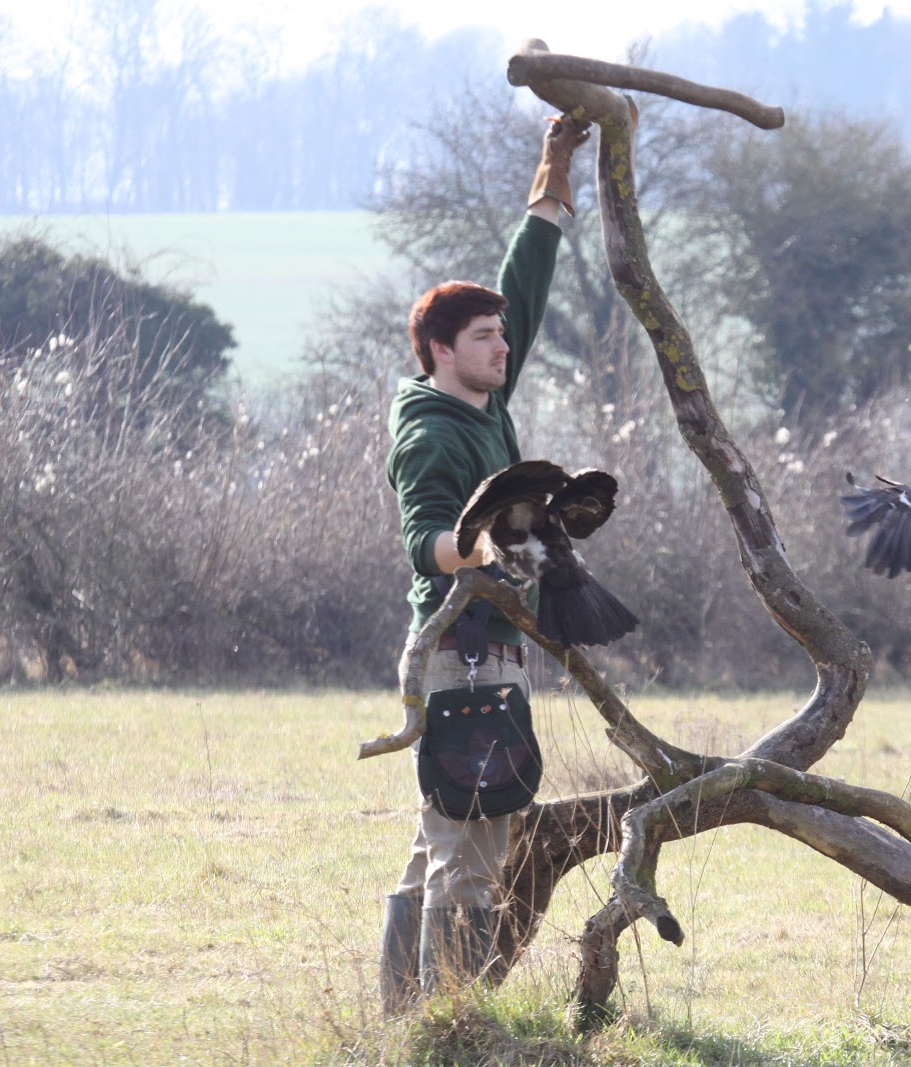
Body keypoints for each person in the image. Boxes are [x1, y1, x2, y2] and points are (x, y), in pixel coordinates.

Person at [379, 112, 591, 1010]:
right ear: (438, 350)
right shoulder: (431, 431)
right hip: (460, 649)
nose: (504, 350)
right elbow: (426, 542)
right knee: (471, 843)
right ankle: (450, 1025)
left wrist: (555, 162)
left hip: (489, 646)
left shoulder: (482, 398)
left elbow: (524, 281)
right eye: (484, 341)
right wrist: (500, 543)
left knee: (445, 837)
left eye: (504, 341)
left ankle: (398, 1017)